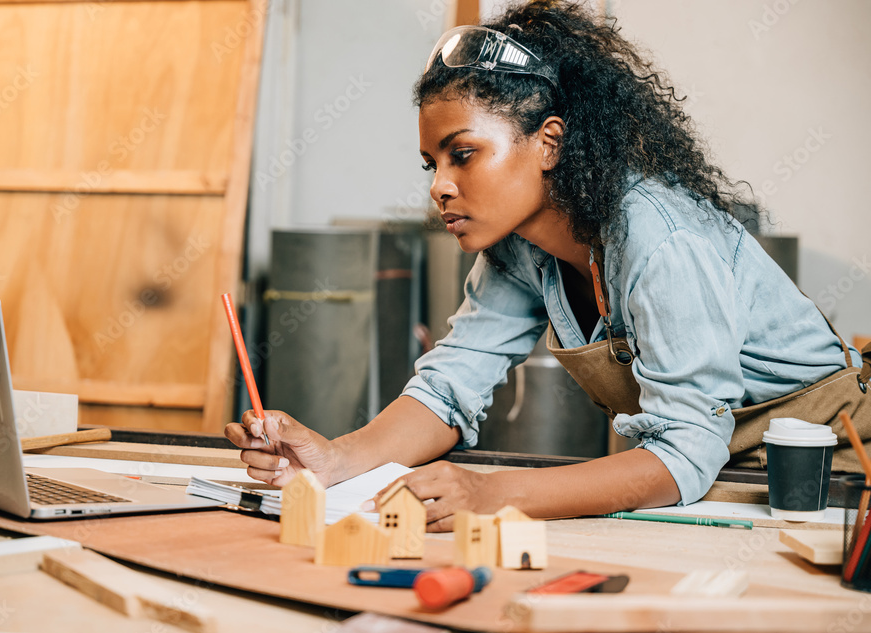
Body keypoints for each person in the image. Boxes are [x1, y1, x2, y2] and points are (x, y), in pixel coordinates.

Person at [226, 1, 871, 531]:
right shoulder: (518, 248)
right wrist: (334, 460)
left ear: (549, 143)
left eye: (463, 154)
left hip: (835, 479)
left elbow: (680, 455)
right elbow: (447, 390)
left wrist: (490, 493)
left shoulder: (661, 238)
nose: (440, 186)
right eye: (432, 164)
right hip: (722, 485)